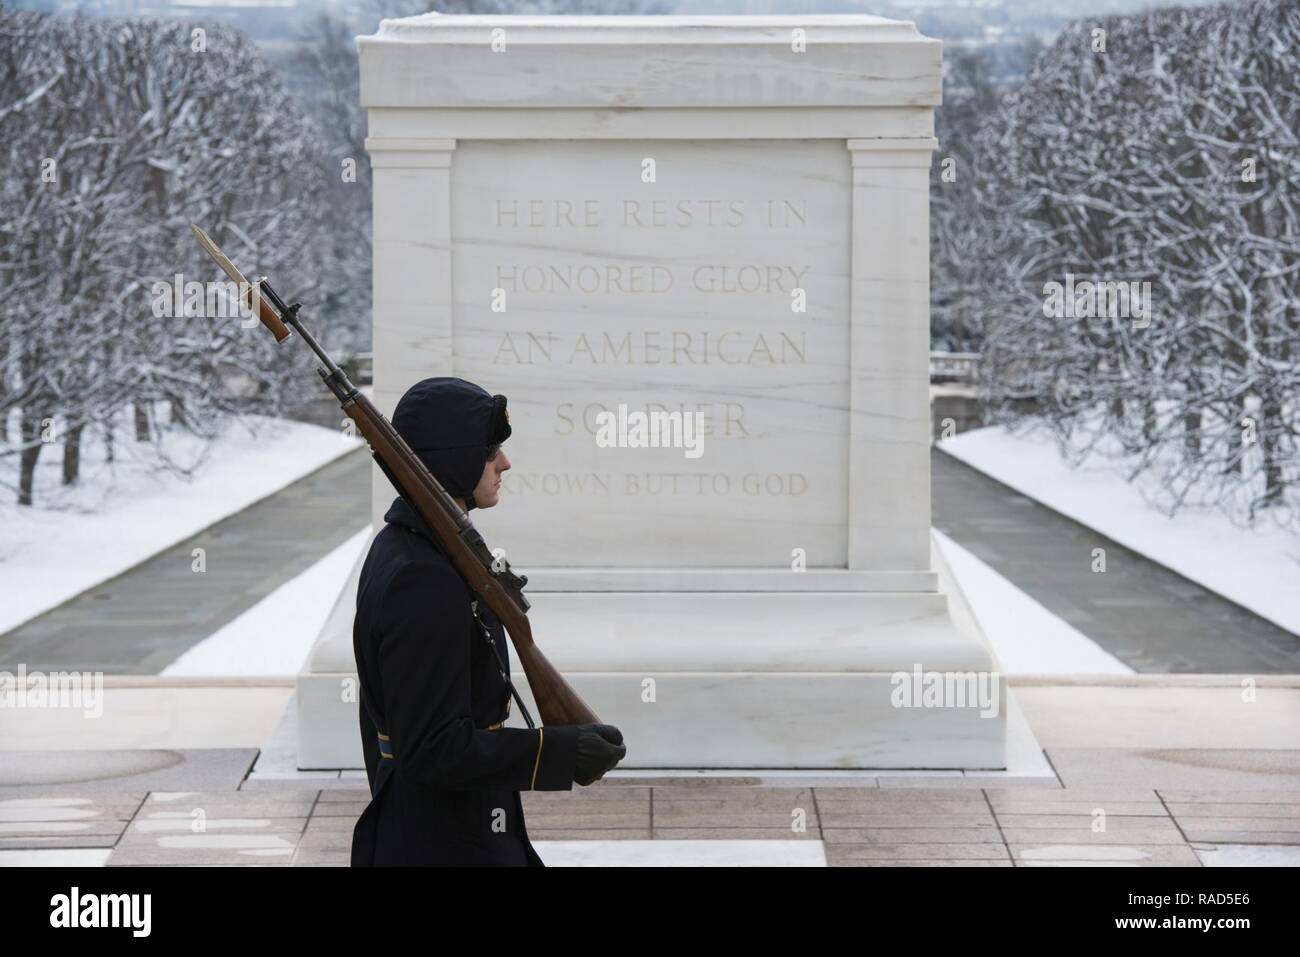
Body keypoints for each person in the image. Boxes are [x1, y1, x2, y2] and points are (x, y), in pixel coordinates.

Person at [349, 376, 626, 866]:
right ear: (453, 459)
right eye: (490, 448)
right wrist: (557, 751)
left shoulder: (411, 549)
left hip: (456, 827)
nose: (504, 463)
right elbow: (430, 749)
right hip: (444, 844)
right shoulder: (422, 577)